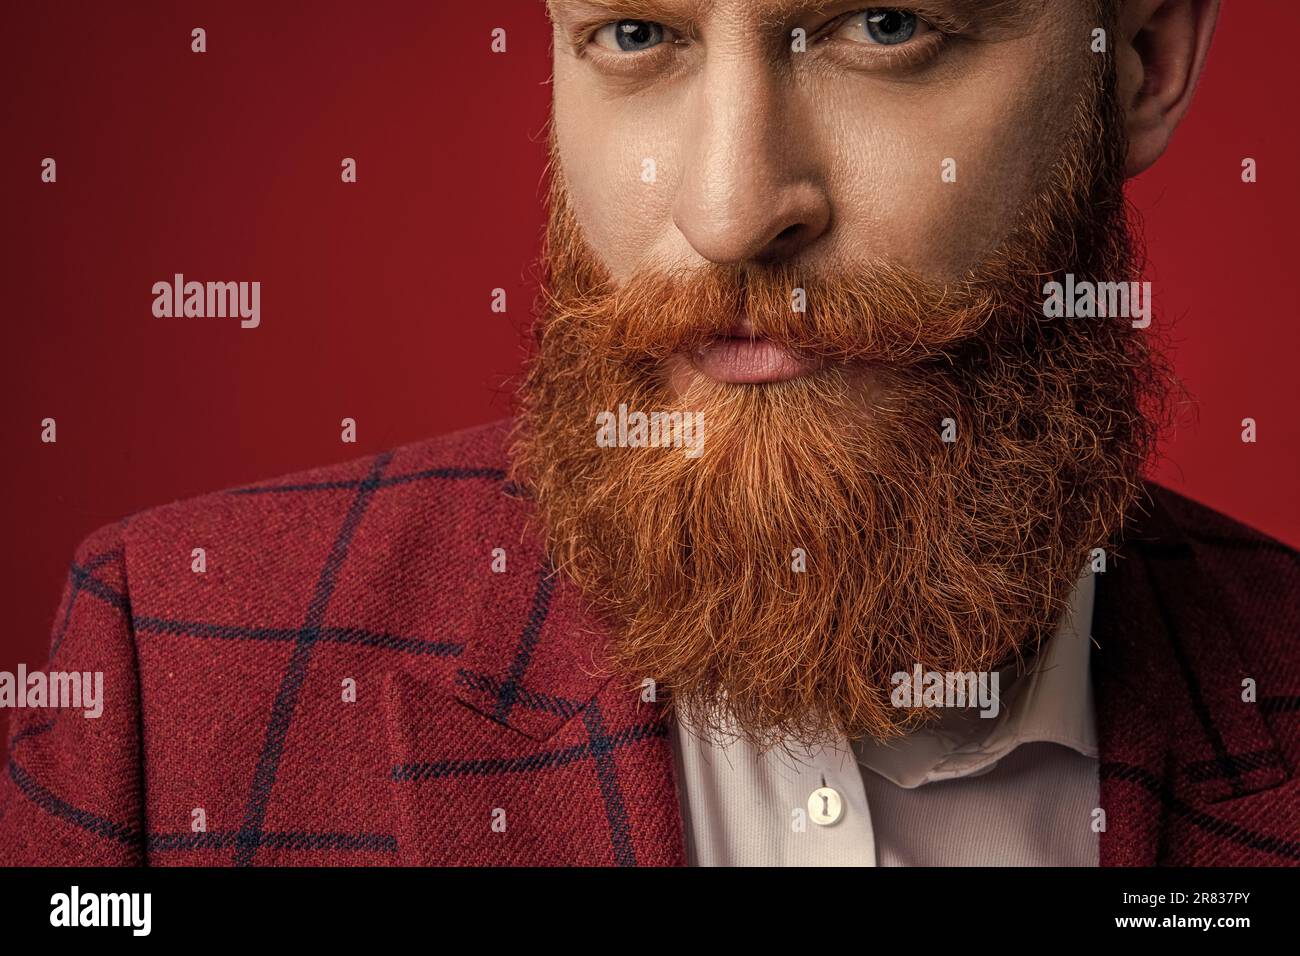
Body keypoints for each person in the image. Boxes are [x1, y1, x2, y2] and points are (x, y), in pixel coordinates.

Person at [3, 0, 1297, 867]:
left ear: (1138, 62)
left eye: (884, 25)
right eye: (636, 32)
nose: (732, 210)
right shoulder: (169, 690)